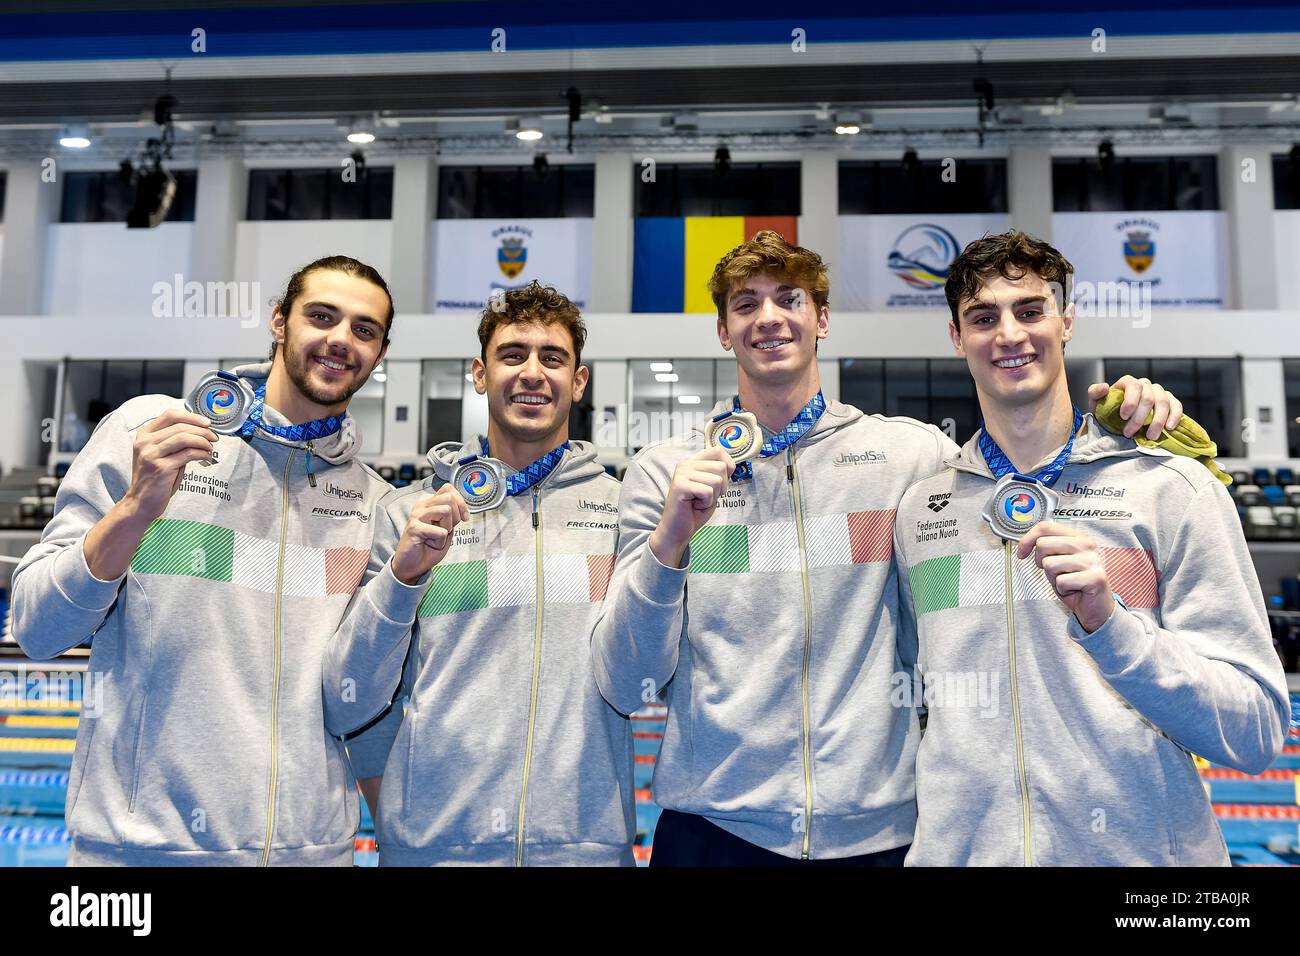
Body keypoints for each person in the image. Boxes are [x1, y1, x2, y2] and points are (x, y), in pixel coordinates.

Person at [591, 229, 1182, 865]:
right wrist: (670, 542)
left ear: (821, 319)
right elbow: (627, 682)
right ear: (723, 330)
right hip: (713, 831)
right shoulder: (665, 471)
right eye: (746, 304)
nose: (768, 318)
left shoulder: (910, 455)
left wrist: (1129, 419)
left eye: (788, 299)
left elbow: (1026, 459)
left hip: (878, 837)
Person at [893, 230, 1289, 865]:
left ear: (1066, 321)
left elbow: (1257, 730)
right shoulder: (923, 510)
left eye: (1030, 311)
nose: (1010, 335)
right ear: (955, 336)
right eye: (983, 317)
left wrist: (1113, 629)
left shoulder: (1169, 487)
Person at [11, 255, 394, 866]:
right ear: (279, 321)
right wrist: (136, 508)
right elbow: (36, 628)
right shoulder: (151, 434)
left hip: (311, 855)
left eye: (364, 329)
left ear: (378, 355)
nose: (340, 339)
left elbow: (363, 702)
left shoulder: (374, 505)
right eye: (321, 316)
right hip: (141, 858)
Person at [323, 281, 635, 866]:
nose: (533, 373)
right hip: (433, 852)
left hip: (584, 853)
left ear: (580, 380)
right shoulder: (406, 514)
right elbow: (351, 695)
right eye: (512, 355)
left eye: (553, 358)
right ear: (479, 373)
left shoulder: (622, 514)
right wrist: (408, 816)